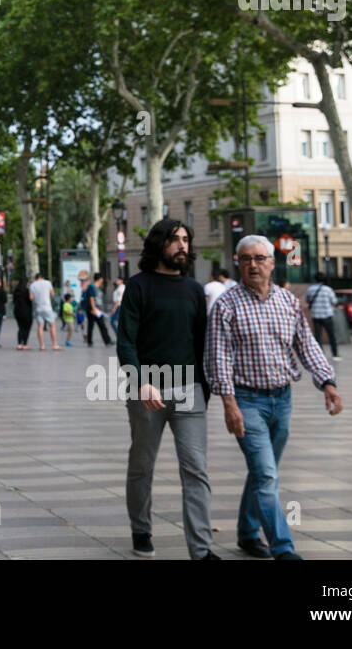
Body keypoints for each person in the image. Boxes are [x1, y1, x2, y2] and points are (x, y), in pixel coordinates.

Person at [205, 234, 343, 560]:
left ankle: (247, 533)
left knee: (262, 471)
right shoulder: (226, 304)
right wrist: (229, 405)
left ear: (271, 262)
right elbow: (218, 358)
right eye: (246, 259)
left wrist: (328, 382)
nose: (253, 264)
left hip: (282, 399)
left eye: (259, 258)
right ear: (238, 263)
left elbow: (306, 345)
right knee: (266, 474)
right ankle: (284, 549)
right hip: (246, 400)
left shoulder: (288, 301)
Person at [117, 218, 216, 560]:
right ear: (159, 244)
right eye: (175, 240)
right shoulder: (138, 286)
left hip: (190, 391)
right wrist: (140, 381)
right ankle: (141, 529)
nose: (182, 246)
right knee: (143, 464)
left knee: (196, 468)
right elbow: (126, 342)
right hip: (147, 391)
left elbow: (202, 341)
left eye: (186, 240)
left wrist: (206, 388)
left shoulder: (193, 289)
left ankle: (201, 550)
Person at [305, 272, 340, 361]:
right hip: (327, 315)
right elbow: (334, 302)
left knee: (318, 336)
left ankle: (320, 355)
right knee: (331, 335)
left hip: (316, 315)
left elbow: (307, 300)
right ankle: (335, 354)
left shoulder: (310, 289)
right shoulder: (328, 290)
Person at [28, 272, 59, 351]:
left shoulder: (32, 285)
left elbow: (31, 298)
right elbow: (52, 294)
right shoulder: (47, 283)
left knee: (40, 327)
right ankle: (54, 345)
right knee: (52, 326)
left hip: (38, 308)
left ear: (36, 278)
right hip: (47, 307)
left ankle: (42, 345)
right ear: (42, 277)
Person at [83, 274, 112, 345]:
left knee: (97, 325)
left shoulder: (97, 288)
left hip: (96, 309)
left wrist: (100, 310)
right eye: (102, 279)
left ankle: (105, 341)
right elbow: (91, 299)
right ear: (100, 279)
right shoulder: (91, 287)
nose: (102, 280)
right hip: (92, 309)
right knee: (96, 325)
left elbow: (98, 300)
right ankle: (106, 341)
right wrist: (94, 310)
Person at [11, 277, 32, 349]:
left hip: (17, 311)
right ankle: (25, 344)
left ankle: (19, 344)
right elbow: (30, 300)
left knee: (20, 328)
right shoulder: (27, 291)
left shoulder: (16, 291)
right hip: (26, 311)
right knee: (27, 328)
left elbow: (13, 302)